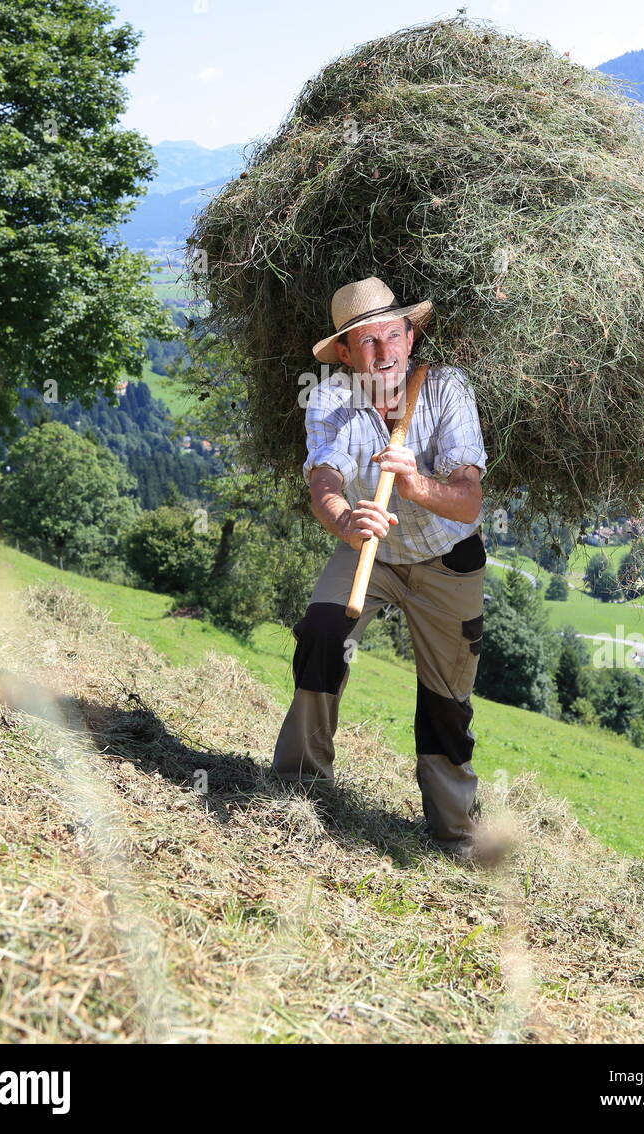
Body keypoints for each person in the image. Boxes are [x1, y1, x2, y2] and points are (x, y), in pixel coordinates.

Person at [272, 275, 500, 866]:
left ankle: (454, 833)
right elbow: (322, 477)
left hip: (447, 558)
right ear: (344, 353)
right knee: (321, 635)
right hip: (367, 546)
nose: (383, 354)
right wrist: (345, 519)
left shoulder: (447, 388)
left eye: (391, 337)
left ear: (409, 334)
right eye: (366, 344)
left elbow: (468, 500)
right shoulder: (329, 397)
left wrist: (415, 481)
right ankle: (298, 786)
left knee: (447, 697)